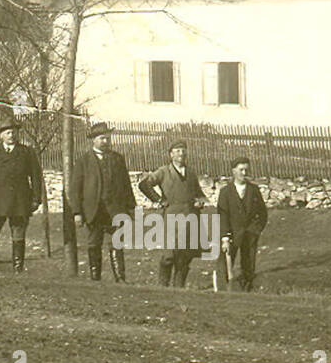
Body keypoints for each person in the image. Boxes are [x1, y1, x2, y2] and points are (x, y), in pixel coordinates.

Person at [67, 121, 135, 281]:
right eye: (102, 138)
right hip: (94, 210)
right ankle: (95, 278)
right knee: (94, 243)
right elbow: (75, 189)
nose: (106, 142)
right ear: (94, 140)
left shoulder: (117, 159)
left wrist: (130, 208)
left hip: (115, 209)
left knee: (117, 243)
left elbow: (126, 185)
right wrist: (77, 212)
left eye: (108, 138)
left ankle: (120, 278)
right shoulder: (84, 161)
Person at [137, 140, 209, 287]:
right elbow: (144, 184)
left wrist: (200, 201)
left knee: (185, 255)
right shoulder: (163, 172)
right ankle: (163, 286)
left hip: (191, 217)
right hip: (171, 217)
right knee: (169, 255)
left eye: (183, 150)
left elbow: (199, 193)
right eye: (177, 151)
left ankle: (179, 287)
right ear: (171, 155)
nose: (181, 154)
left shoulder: (191, 172)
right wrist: (158, 200)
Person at [0, 121, 43, 272]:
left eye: (13, 132)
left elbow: (36, 177)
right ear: (1, 136)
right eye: (7, 133)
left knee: (18, 233)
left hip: (20, 200)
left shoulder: (27, 152)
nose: (11, 135)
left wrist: (36, 199)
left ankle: (18, 269)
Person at [216, 157, 268, 291]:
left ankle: (247, 292)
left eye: (246, 170)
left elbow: (262, 213)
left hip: (250, 234)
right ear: (233, 171)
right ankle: (222, 291)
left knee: (248, 265)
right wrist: (225, 238)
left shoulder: (254, 190)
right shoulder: (225, 192)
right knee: (225, 265)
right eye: (241, 170)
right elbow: (223, 216)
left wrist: (256, 230)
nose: (244, 173)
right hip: (231, 234)